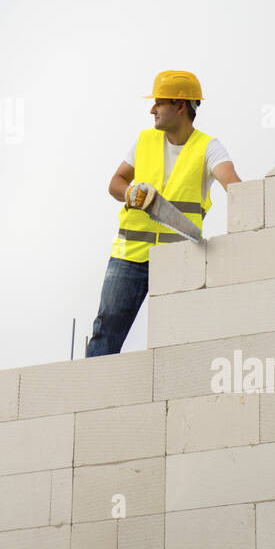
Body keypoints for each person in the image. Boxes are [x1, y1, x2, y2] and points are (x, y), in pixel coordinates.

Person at [86, 71, 241, 356]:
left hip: (178, 259)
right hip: (129, 256)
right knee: (105, 333)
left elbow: (235, 187)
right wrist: (129, 193)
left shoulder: (209, 148)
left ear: (180, 106)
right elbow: (115, 183)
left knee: (178, 343)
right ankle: (90, 395)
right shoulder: (145, 140)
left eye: (159, 103)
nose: (152, 109)